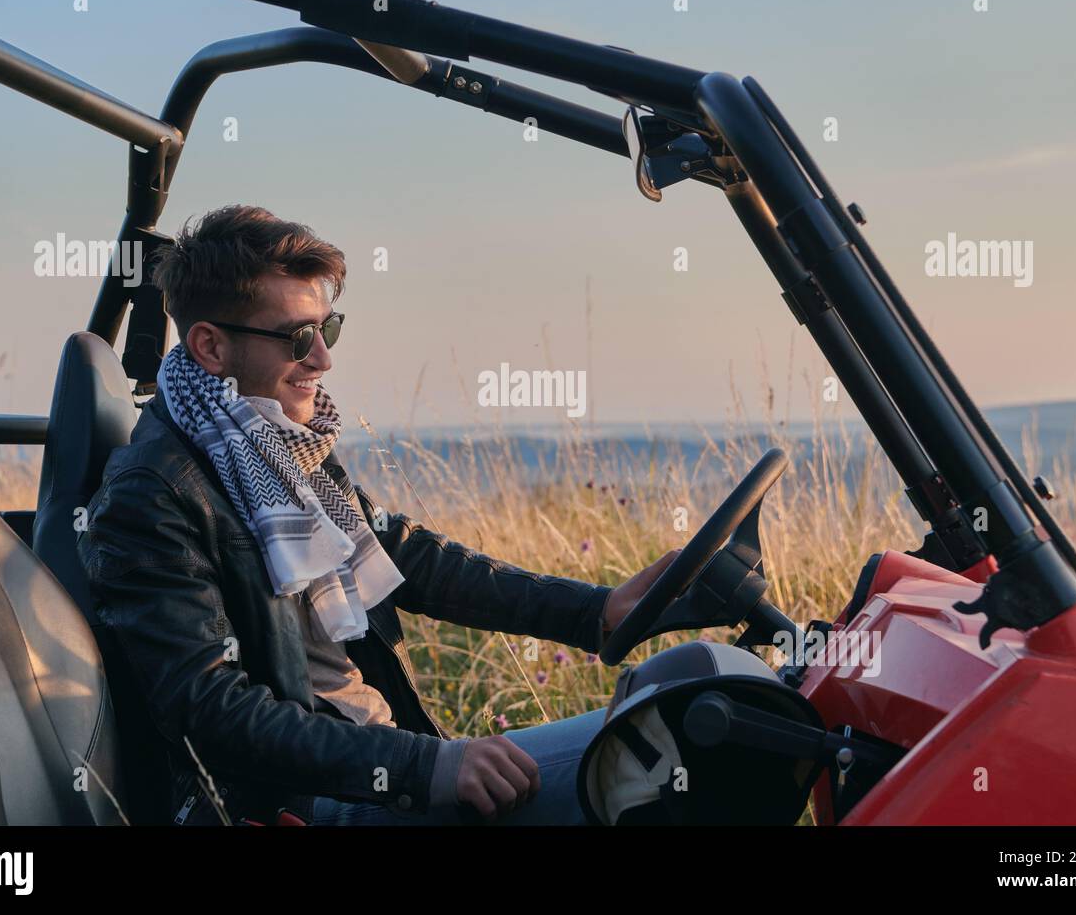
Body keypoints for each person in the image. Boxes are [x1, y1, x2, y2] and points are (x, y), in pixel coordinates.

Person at [78, 205, 678, 825]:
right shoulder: (151, 497)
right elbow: (212, 711)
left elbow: (411, 558)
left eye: (327, 330)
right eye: (299, 338)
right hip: (300, 803)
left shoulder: (277, 442)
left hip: (382, 765)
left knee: (675, 700)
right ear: (209, 345)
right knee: (672, 750)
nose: (322, 361)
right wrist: (428, 767)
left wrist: (596, 613)